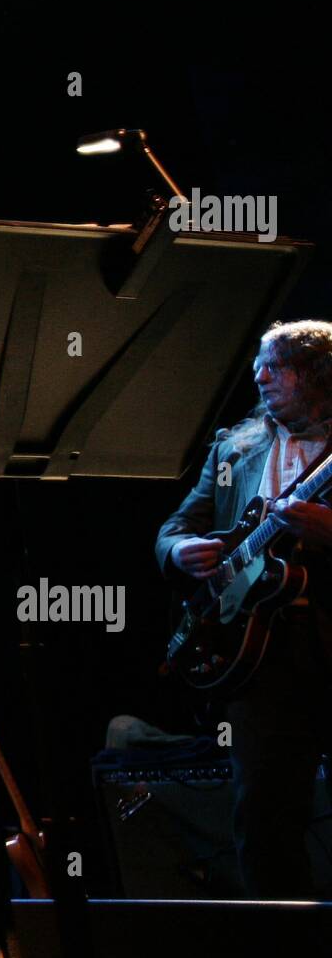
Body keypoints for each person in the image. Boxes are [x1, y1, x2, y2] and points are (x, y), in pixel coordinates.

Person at [155, 320, 332, 898]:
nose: (257, 376)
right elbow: (177, 526)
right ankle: (284, 945)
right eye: (258, 364)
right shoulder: (235, 447)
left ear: (317, 373)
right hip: (261, 657)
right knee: (262, 818)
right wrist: (180, 551)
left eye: (274, 365)